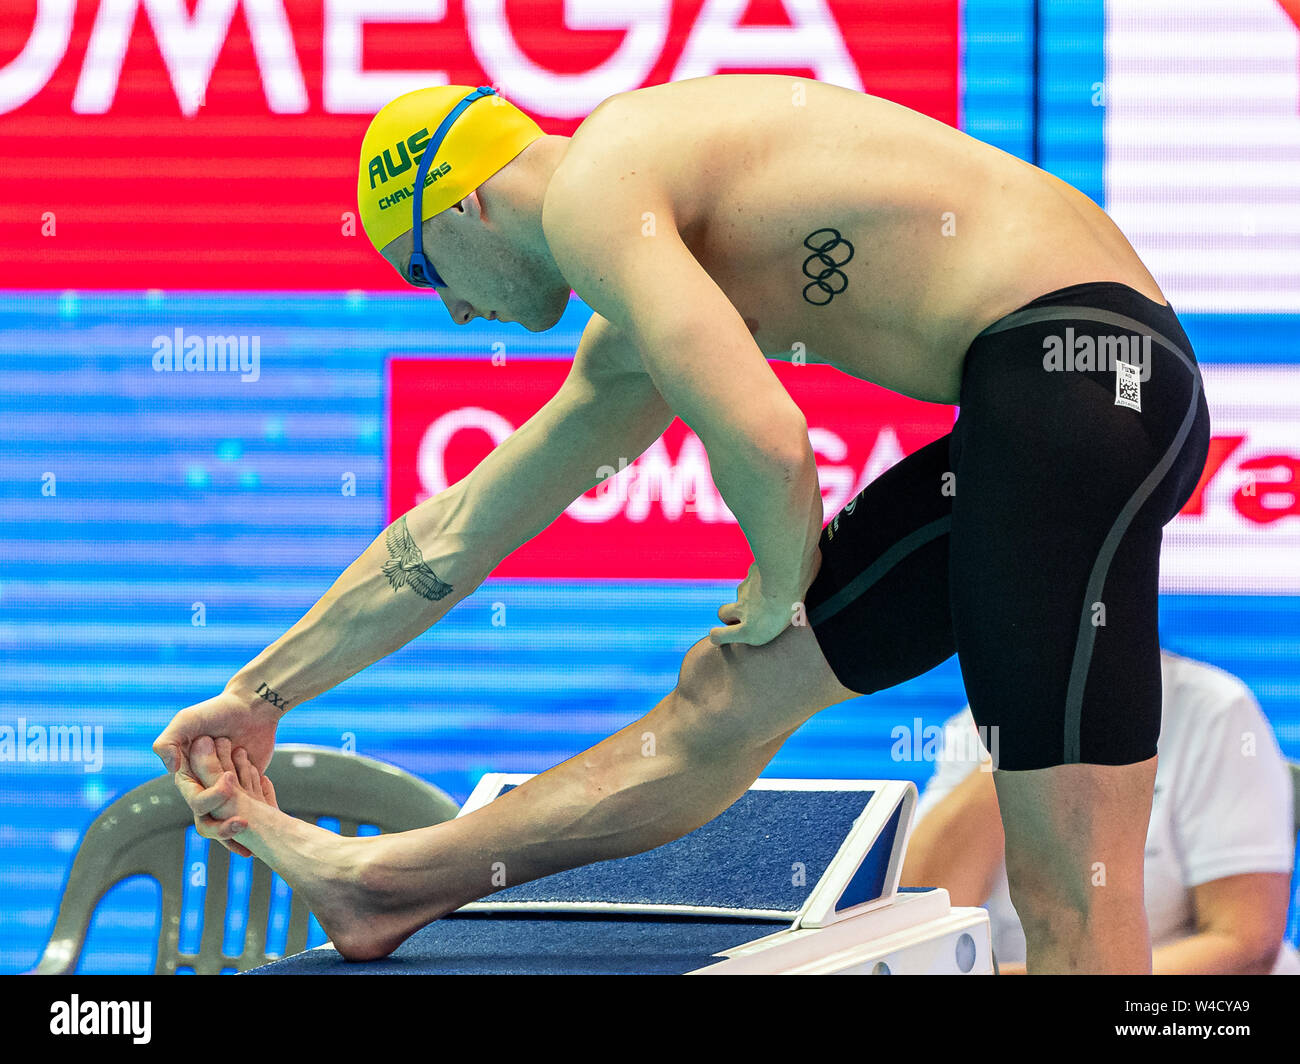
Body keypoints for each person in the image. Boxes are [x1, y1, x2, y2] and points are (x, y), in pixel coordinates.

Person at [153, 75, 1211, 971]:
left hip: (1081, 373)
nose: (455, 314)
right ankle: (383, 883)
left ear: (461, 204)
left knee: (1071, 891)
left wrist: (777, 570)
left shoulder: (603, 180)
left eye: (423, 273)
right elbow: (460, 528)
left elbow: (767, 440)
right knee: (724, 698)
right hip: (1053, 407)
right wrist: (259, 689)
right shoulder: (649, 258)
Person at [901, 651, 1299, 975]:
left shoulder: (1214, 711)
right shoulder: (980, 727)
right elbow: (918, 913)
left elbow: (1246, 944)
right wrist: (1034, 732)